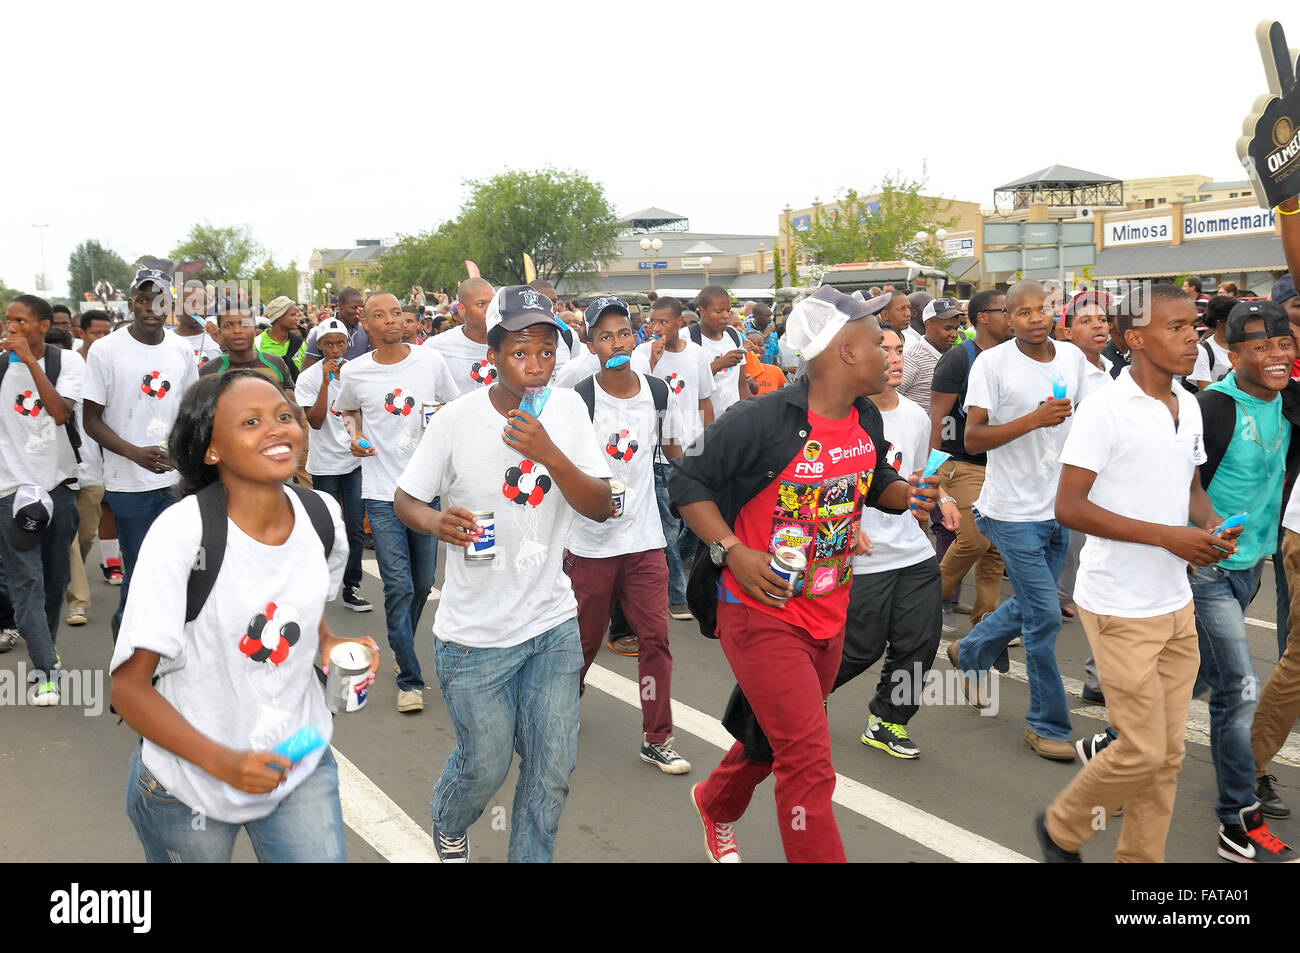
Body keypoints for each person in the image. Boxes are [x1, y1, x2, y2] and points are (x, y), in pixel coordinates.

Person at [671, 285, 936, 863]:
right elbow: (687, 482)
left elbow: (877, 476)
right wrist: (734, 549)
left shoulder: (864, 413)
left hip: (830, 610)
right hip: (761, 613)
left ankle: (715, 803)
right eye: (878, 342)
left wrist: (906, 494)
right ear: (844, 351)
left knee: (777, 739)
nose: (891, 355)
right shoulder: (760, 420)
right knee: (809, 763)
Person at [110, 370, 379, 862]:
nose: (277, 429)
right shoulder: (181, 534)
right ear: (212, 450)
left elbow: (308, 615)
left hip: (298, 756)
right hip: (190, 779)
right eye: (251, 422)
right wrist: (225, 763)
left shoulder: (323, 515)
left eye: (283, 416)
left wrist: (334, 648)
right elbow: (128, 688)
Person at [394, 285, 613, 863]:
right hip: (476, 638)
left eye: (547, 351)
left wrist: (550, 453)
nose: (536, 365)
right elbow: (406, 499)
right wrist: (437, 521)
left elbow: (601, 505)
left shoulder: (567, 410)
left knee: (551, 771)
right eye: (521, 350)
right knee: (484, 766)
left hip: (551, 625)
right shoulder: (455, 421)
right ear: (492, 354)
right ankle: (449, 821)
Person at [1037, 282, 1227, 863]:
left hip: (1175, 598)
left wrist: (1212, 524)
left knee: (1167, 756)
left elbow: (1189, 487)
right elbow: (1069, 507)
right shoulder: (1104, 410)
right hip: (1120, 603)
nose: (1191, 338)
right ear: (1135, 338)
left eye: (1193, 326)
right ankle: (1062, 828)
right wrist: (1165, 536)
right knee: (1142, 749)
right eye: (1175, 327)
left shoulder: (1189, 403)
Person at [948, 280, 1092, 761]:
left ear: (1054, 312)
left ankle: (970, 651)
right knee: (1044, 616)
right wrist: (1034, 418)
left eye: (1042, 309)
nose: (1035, 318)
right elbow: (972, 439)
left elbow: (1104, 408)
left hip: (1060, 508)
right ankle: (1046, 724)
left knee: (1036, 605)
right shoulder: (991, 364)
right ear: (1007, 319)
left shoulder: (1072, 359)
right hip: (1010, 512)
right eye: (1023, 312)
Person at [1190, 299, 1299, 862]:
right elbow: (1186, 483)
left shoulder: (1286, 401)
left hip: (1252, 564)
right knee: (1238, 690)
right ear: (1232, 355)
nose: (1276, 354)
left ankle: (1117, 742)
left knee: (1198, 677)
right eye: (1260, 346)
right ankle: (1237, 816)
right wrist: (1204, 529)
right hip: (1207, 567)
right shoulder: (1214, 406)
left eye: (1283, 343)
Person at [564, 296, 691, 773]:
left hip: (645, 542)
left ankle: (657, 736)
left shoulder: (658, 392)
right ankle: (562, 707)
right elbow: (562, 465)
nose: (615, 342)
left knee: (655, 639)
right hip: (591, 543)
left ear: (635, 337)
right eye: (604, 336)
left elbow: (675, 449)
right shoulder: (580, 397)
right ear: (591, 344)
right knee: (584, 640)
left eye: (623, 333)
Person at [833, 324, 957, 759]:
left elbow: (919, 475)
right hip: (860, 552)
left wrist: (943, 500)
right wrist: (845, 525)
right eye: (883, 348)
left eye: (900, 349)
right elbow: (827, 481)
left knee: (921, 638)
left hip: (911, 547)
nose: (894, 357)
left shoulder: (916, 416)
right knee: (859, 647)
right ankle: (797, 696)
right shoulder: (845, 414)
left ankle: (888, 720)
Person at [335, 292, 456, 713]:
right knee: (399, 586)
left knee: (422, 584)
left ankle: (400, 644)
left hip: (424, 492)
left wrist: (439, 420)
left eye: (397, 313)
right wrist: (356, 438)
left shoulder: (429, 361)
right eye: (379, 315)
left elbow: (452, 407)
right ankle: (410, 678)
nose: (391, 320)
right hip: (382, 494)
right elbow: (346, 410)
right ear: (364, 324)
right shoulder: (356, 371)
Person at [83, 268, 200, 638]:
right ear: (131, 302)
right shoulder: (105, 350)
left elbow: (190, 412)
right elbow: (91, 420)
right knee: (139, 573)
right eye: (143, 299)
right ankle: (126, 659)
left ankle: (172, 656)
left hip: (175, 482)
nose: (151, 308)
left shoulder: (181, 349)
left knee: (181, 571)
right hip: (128, 484)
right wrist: (134, 453)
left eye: (160, 299)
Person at [0, 295, 84, 704]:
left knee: (54, 581)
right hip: (10, 490)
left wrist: (29, 363)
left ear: (43, 326)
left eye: (22, 321)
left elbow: (59, 413)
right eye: (8, 320)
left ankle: (45, 648)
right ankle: (46, 671)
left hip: (57, 485)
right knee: (26, 581)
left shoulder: (67, 363)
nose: (12, 327)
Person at [929, 289, 1012, 623]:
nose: (1011, 316)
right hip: (962, 463)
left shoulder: (1014, 357)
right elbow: (938, 417)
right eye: (1005, 310)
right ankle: (926, 602)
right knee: (974, 540)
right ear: (982, 317)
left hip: (1003, 464)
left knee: (995, 551)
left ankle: (986, 624)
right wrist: (932, 472)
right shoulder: (960, 358)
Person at [631, 295, 715, 620]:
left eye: (663, 322)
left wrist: (709, 442)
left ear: (680, 322)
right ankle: (677, 595)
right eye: (653, 322)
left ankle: (671, 567)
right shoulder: (642, 353)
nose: (657, 328)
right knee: (667, 525)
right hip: (660, 453)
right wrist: (651, 363)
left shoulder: (697, 355)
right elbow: (635, 391)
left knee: (695, 520)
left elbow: (705, 400)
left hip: (693, 451)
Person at [295, 317, 371, 613]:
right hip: (324, 464)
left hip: (352, 461)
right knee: (325, 527)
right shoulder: (309, 377)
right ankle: (317, 583)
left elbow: (358, 413)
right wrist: (325, 383)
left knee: (354, 528)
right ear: (320, 346)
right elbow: (314, 421)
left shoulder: (355, 372)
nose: (335, 349)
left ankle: (351, 587)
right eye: (329, 344)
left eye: (340, 343)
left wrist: (358, 439)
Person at [423, 278, 495, 398]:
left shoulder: (511, 343)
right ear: (462, 309)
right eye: (481, 304)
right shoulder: (435, 347)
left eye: (492, 303)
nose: (489, 310)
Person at [200, 309, 295, 392]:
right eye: (228, 326)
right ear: (220, 332)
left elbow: (293, 408)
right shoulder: (209, 372)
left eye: (244, 324)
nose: (237, 330)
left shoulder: (276, 364)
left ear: (255, 329)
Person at [691, 285, 749, 418]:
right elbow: (687, 385)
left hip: (733, 422)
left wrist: (750, 416)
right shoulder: (688, 338)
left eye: (728, 311)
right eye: (719, 311)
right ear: (702, 311)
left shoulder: (733, 335)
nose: (725, 316)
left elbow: (741, 384)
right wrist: (718, 365)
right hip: (703, 425)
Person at [899, 297, 961, 414]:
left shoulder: (954, 355)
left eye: (956, 328)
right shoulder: (912, 359)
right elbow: (891, 397)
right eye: (947, 328)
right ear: (929, 325)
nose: (954, 334)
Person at [301, 287, 369, 369]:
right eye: (354, 308)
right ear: (340, 306)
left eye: (361, 307)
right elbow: (306, 371)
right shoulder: (321, 332)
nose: (359, 311)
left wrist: (370, 332)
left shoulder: (365, 331)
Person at [1188, 295, 1236, 390]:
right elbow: (1206, 391)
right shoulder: (1203, 351)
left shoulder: (1243, 345)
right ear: (1221, 321)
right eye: (1235, 318)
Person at [255, 296, 306, 384]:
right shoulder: (257, 343)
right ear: (279, 317)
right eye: (293, 315)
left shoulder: (300, 344)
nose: (297, 318)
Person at [743, 332, 787, 396]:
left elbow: (781, 398)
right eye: (751, 345)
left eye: (761, 345)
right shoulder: (738, 374)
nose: (757, 348)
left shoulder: (776, 372)